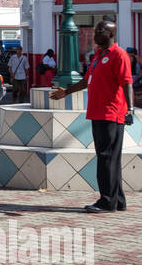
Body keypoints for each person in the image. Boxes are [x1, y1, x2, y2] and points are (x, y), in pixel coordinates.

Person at [51, 20, 134, 213]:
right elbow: (87, 80)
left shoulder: (119, 55)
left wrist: (130, 109)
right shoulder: (98, 55)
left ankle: (107, 202)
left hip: (112, 113)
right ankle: (118, 200)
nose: (95, 34)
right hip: (98, 112)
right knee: (109, 158)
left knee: (107, 158)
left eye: (99, 31)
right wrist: (67, 92)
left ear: (110, 34)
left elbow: (127, 83)